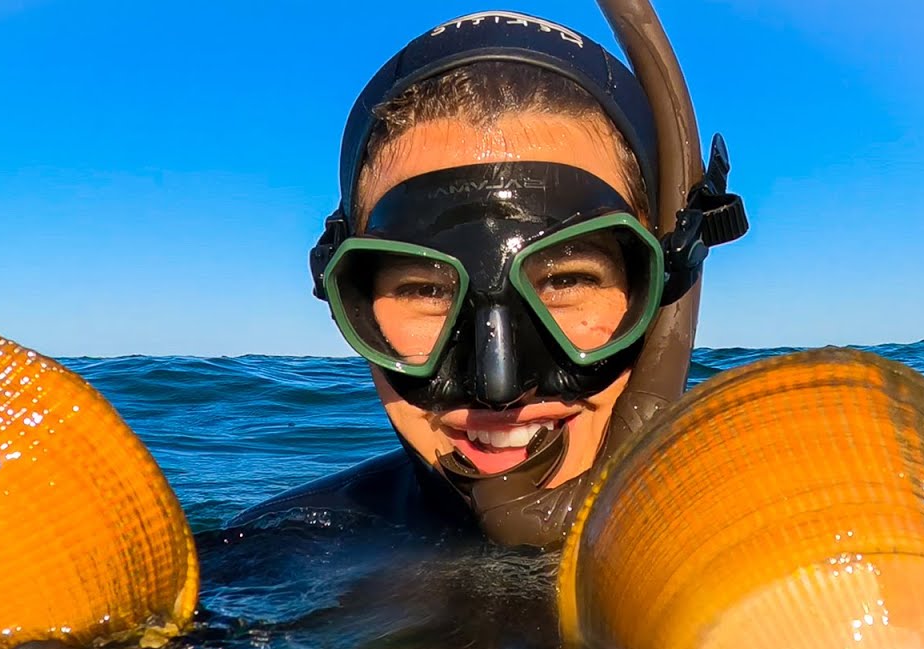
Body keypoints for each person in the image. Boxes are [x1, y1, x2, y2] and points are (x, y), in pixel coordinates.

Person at [232, 9, 746, 549]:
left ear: (662, 280)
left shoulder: (790, 528)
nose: (498, 388)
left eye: (566, 280)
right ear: (352, 298)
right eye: (426, 290)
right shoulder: (276, 555)